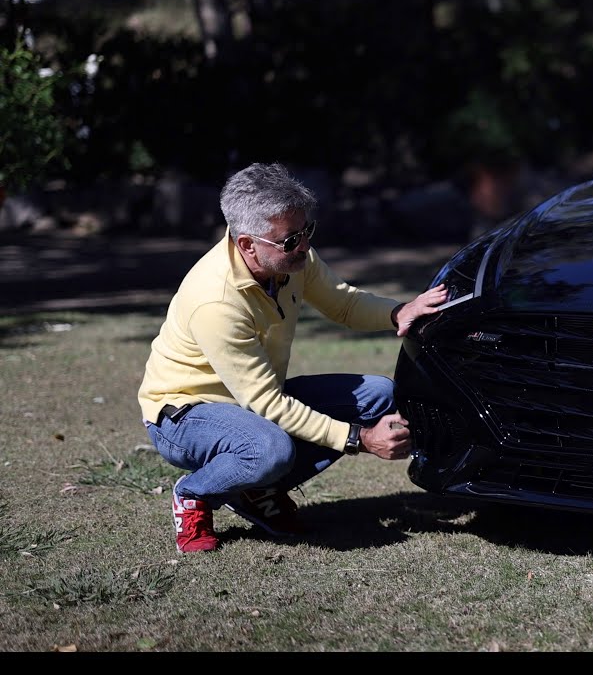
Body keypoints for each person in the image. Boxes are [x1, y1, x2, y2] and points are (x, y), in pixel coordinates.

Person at [137, 162, 449, 553]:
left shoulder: (291, 259)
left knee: (377, 394)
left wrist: (398, 311)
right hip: (186, 414)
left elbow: (343, 303)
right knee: (269, 449)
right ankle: (196, 493)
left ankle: (253, 491)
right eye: (289, 240)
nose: (302, 246)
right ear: (247, 244)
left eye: (306, 232)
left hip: (249, 403)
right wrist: (360, 439)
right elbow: (266, 403)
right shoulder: (215, 300)